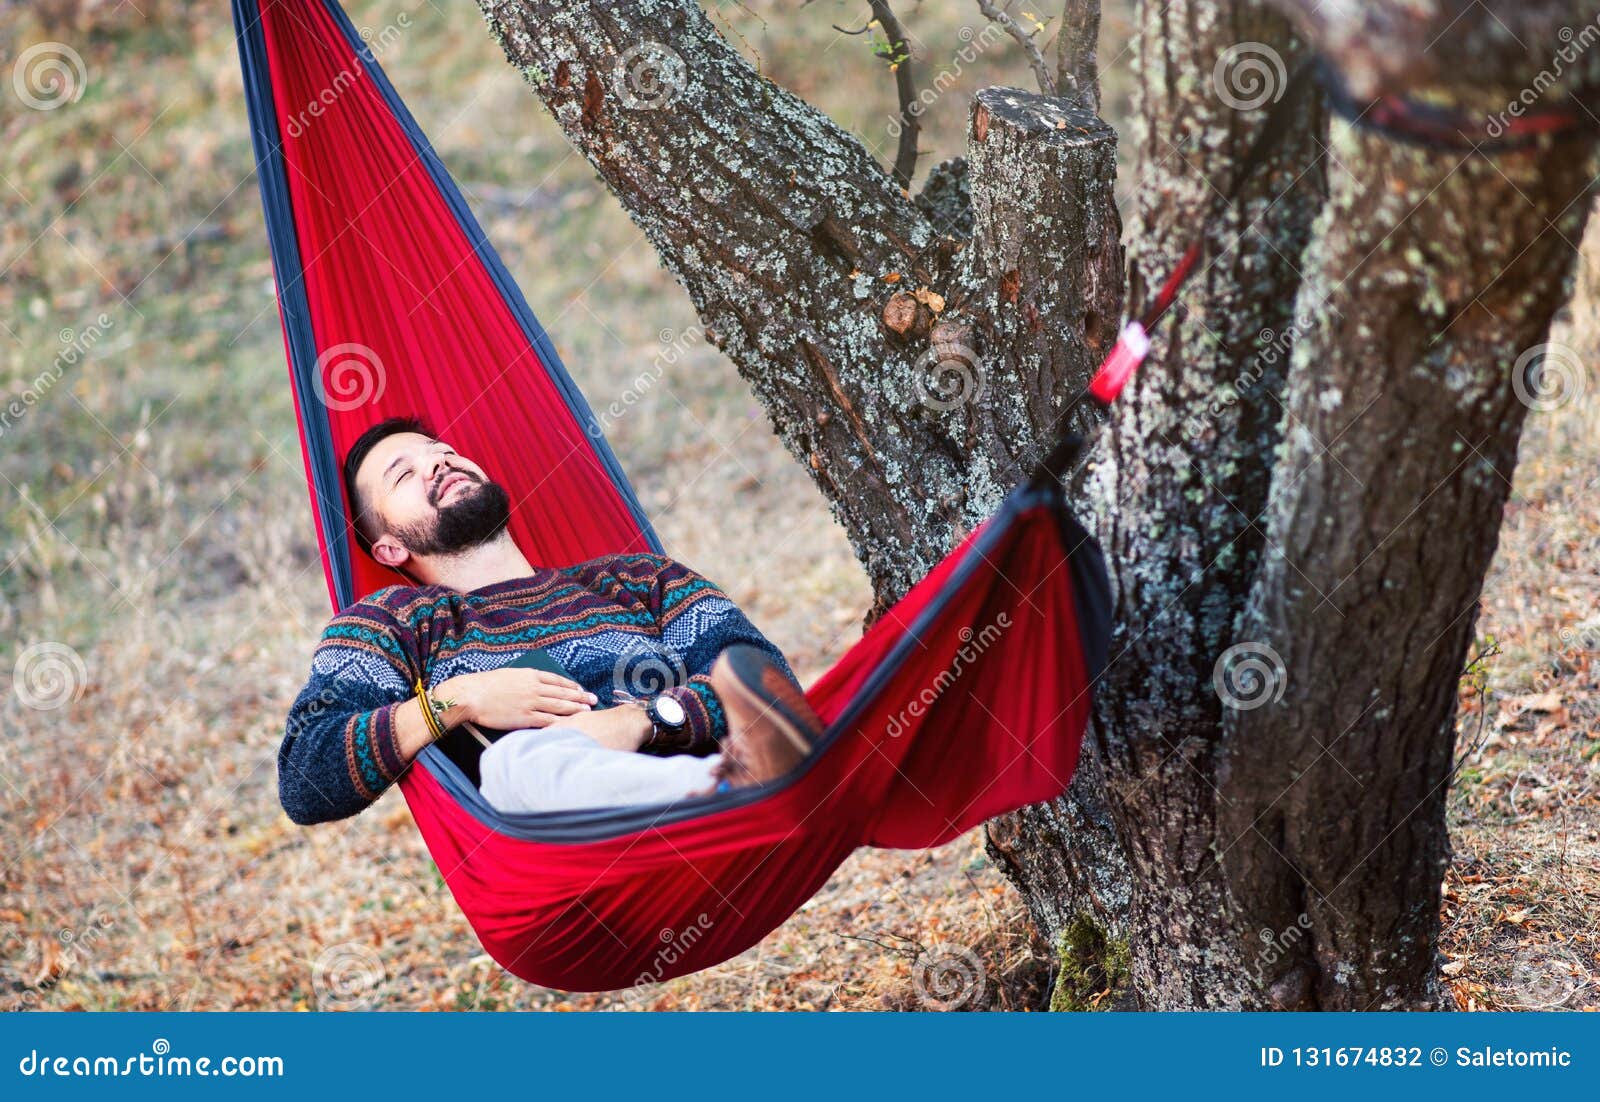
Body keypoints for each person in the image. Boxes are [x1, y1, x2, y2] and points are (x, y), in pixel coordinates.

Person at [278, 416, 821, 825]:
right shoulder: (392, 624)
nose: (438, 463)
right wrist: (456, 700)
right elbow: (306, 777)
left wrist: (642, 721)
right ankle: (723, 790)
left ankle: (725, 788)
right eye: (405, 475)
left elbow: (764, 679)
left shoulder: (637, 577)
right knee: (520, 761)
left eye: (440, 451)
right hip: (569, 849)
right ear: (390, 548)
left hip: (725, 804)